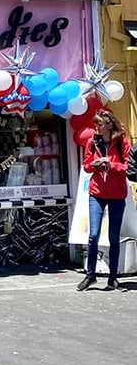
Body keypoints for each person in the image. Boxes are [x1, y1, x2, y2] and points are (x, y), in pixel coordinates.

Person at [77, 108, 131, 292]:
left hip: (116, 194)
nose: (96, 128)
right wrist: (94, 164)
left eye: (99, 124)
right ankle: (90, 275)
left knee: (113, 237)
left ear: (109, 125)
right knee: (93, 235)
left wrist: (112, 165)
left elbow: (128, 167)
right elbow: (86, 166)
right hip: (97, 192)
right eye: (95, 124)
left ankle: (113, 278)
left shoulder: (121, 142)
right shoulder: (92, 142)